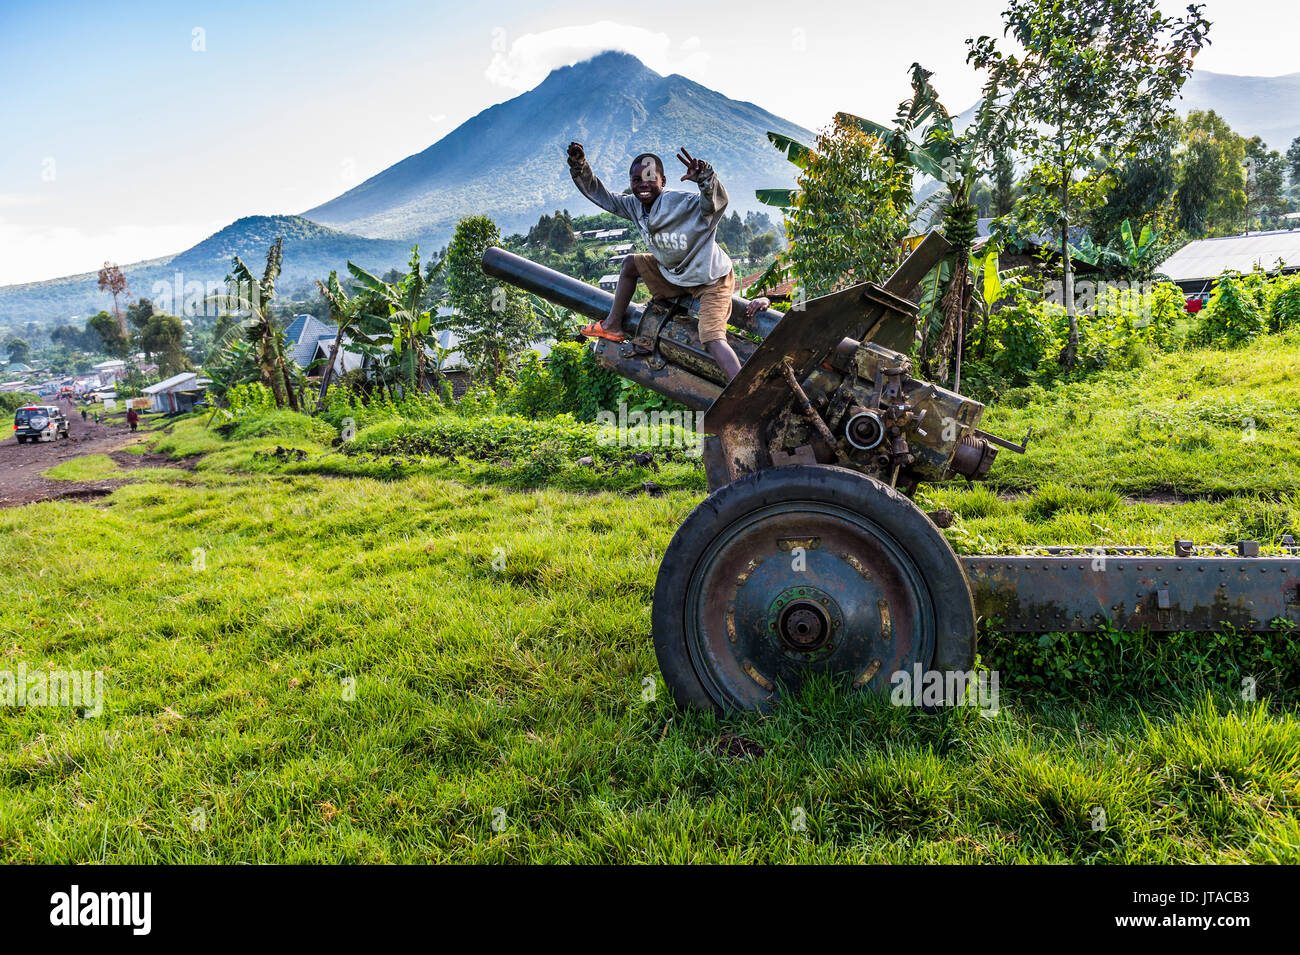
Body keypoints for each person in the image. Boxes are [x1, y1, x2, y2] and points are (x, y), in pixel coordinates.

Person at [567, 142, 766, 382]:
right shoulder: (634, 205)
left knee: (712, 337)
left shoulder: (681, 202)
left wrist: (705, 179)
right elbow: (602, 196)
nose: (643, 185)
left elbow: (714, 204)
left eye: (650, 178)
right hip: (675, 274)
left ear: (664, 181)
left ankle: (743, 389)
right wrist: (580, 167)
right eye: (637, 179)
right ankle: (613, 325)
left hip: (710, 279)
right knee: (631, 264)